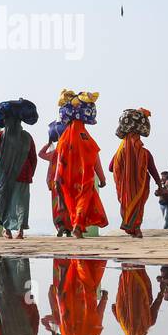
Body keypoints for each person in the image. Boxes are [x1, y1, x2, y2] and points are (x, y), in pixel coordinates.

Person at [50, 90, 108, 238]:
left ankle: (77, 225)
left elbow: (59, 159)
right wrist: (102, 177)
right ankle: (77, 225)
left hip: (66, 178)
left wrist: (57, 178)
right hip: (85, 177)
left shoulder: (63, 139)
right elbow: (95, 158)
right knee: (83, 200)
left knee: (71, 202)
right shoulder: (86, 137)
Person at [0, 99, 39, 239]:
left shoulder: (0, 137)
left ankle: (6, 230)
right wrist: (28, 174)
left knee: (4, 202)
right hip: (22, 176)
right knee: (21, 203)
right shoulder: (26, 137)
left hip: (3, 177)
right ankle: (20, 231)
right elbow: (33, 159)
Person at [108, 108, 162, 238]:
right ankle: (137, 227)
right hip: (140, 187)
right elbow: (153, 169)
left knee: (127, 204)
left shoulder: (120, 152)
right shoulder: (144, 153)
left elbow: (111, 167)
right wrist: (159, 184)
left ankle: (131, 226)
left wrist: (124, 172)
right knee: (138, 205)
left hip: (124, 190)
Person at [112, 264, 163, 335]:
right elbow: (114, 307)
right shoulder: (124, 325)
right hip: (126, 283)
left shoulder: (147, 324)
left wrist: (162, 292)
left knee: (138, 265)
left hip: (142, 288)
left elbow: (156, 305)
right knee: (129, 266)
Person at [39, 123, 72, 237]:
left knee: (56, 205)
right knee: (67, 204)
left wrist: (48, 143)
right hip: (66, 182)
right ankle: (68, 228)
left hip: (54, 184)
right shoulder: (69, 153)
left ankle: (60, 225)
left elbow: (41, 154)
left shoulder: (53, 154)